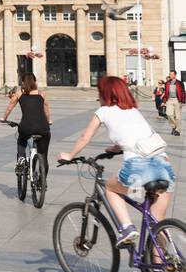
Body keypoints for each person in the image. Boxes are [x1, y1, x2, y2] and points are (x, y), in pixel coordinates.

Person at [60, 75, 175, 249]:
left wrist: (69, 155)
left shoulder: (104, 111)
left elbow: (85, 137)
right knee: (157, 224)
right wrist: (116, 148)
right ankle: (160, 271)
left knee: (110, 188)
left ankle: (127, 228)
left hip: (137, 166)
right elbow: (137, 136)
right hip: (163, 165)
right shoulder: (133, 111)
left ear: (104, 93)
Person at [1, 73, 51, 172]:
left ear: (23, 82)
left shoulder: (19, 93)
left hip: (26, 126)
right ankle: (43, 183)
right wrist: (49, 121)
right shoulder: (42, 94)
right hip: (43, 127)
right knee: (43, 156)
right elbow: (46, 111)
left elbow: (10, 107)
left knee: (21, 139)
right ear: (34, 82)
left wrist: (4, 118)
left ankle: (21, 159)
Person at [163, 71, 184, 136]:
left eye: (172, 74)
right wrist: (164, 101)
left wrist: (183, 101)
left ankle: (178, 130)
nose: (171, 75)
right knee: (168, 114)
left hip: (177, 100)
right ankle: (174, 126)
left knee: (178, 116)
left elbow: (183, 92)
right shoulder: (167, 83)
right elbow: (166, 92)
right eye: (170, 74)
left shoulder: (180, 83)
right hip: (169, 100)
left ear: (175, 75)